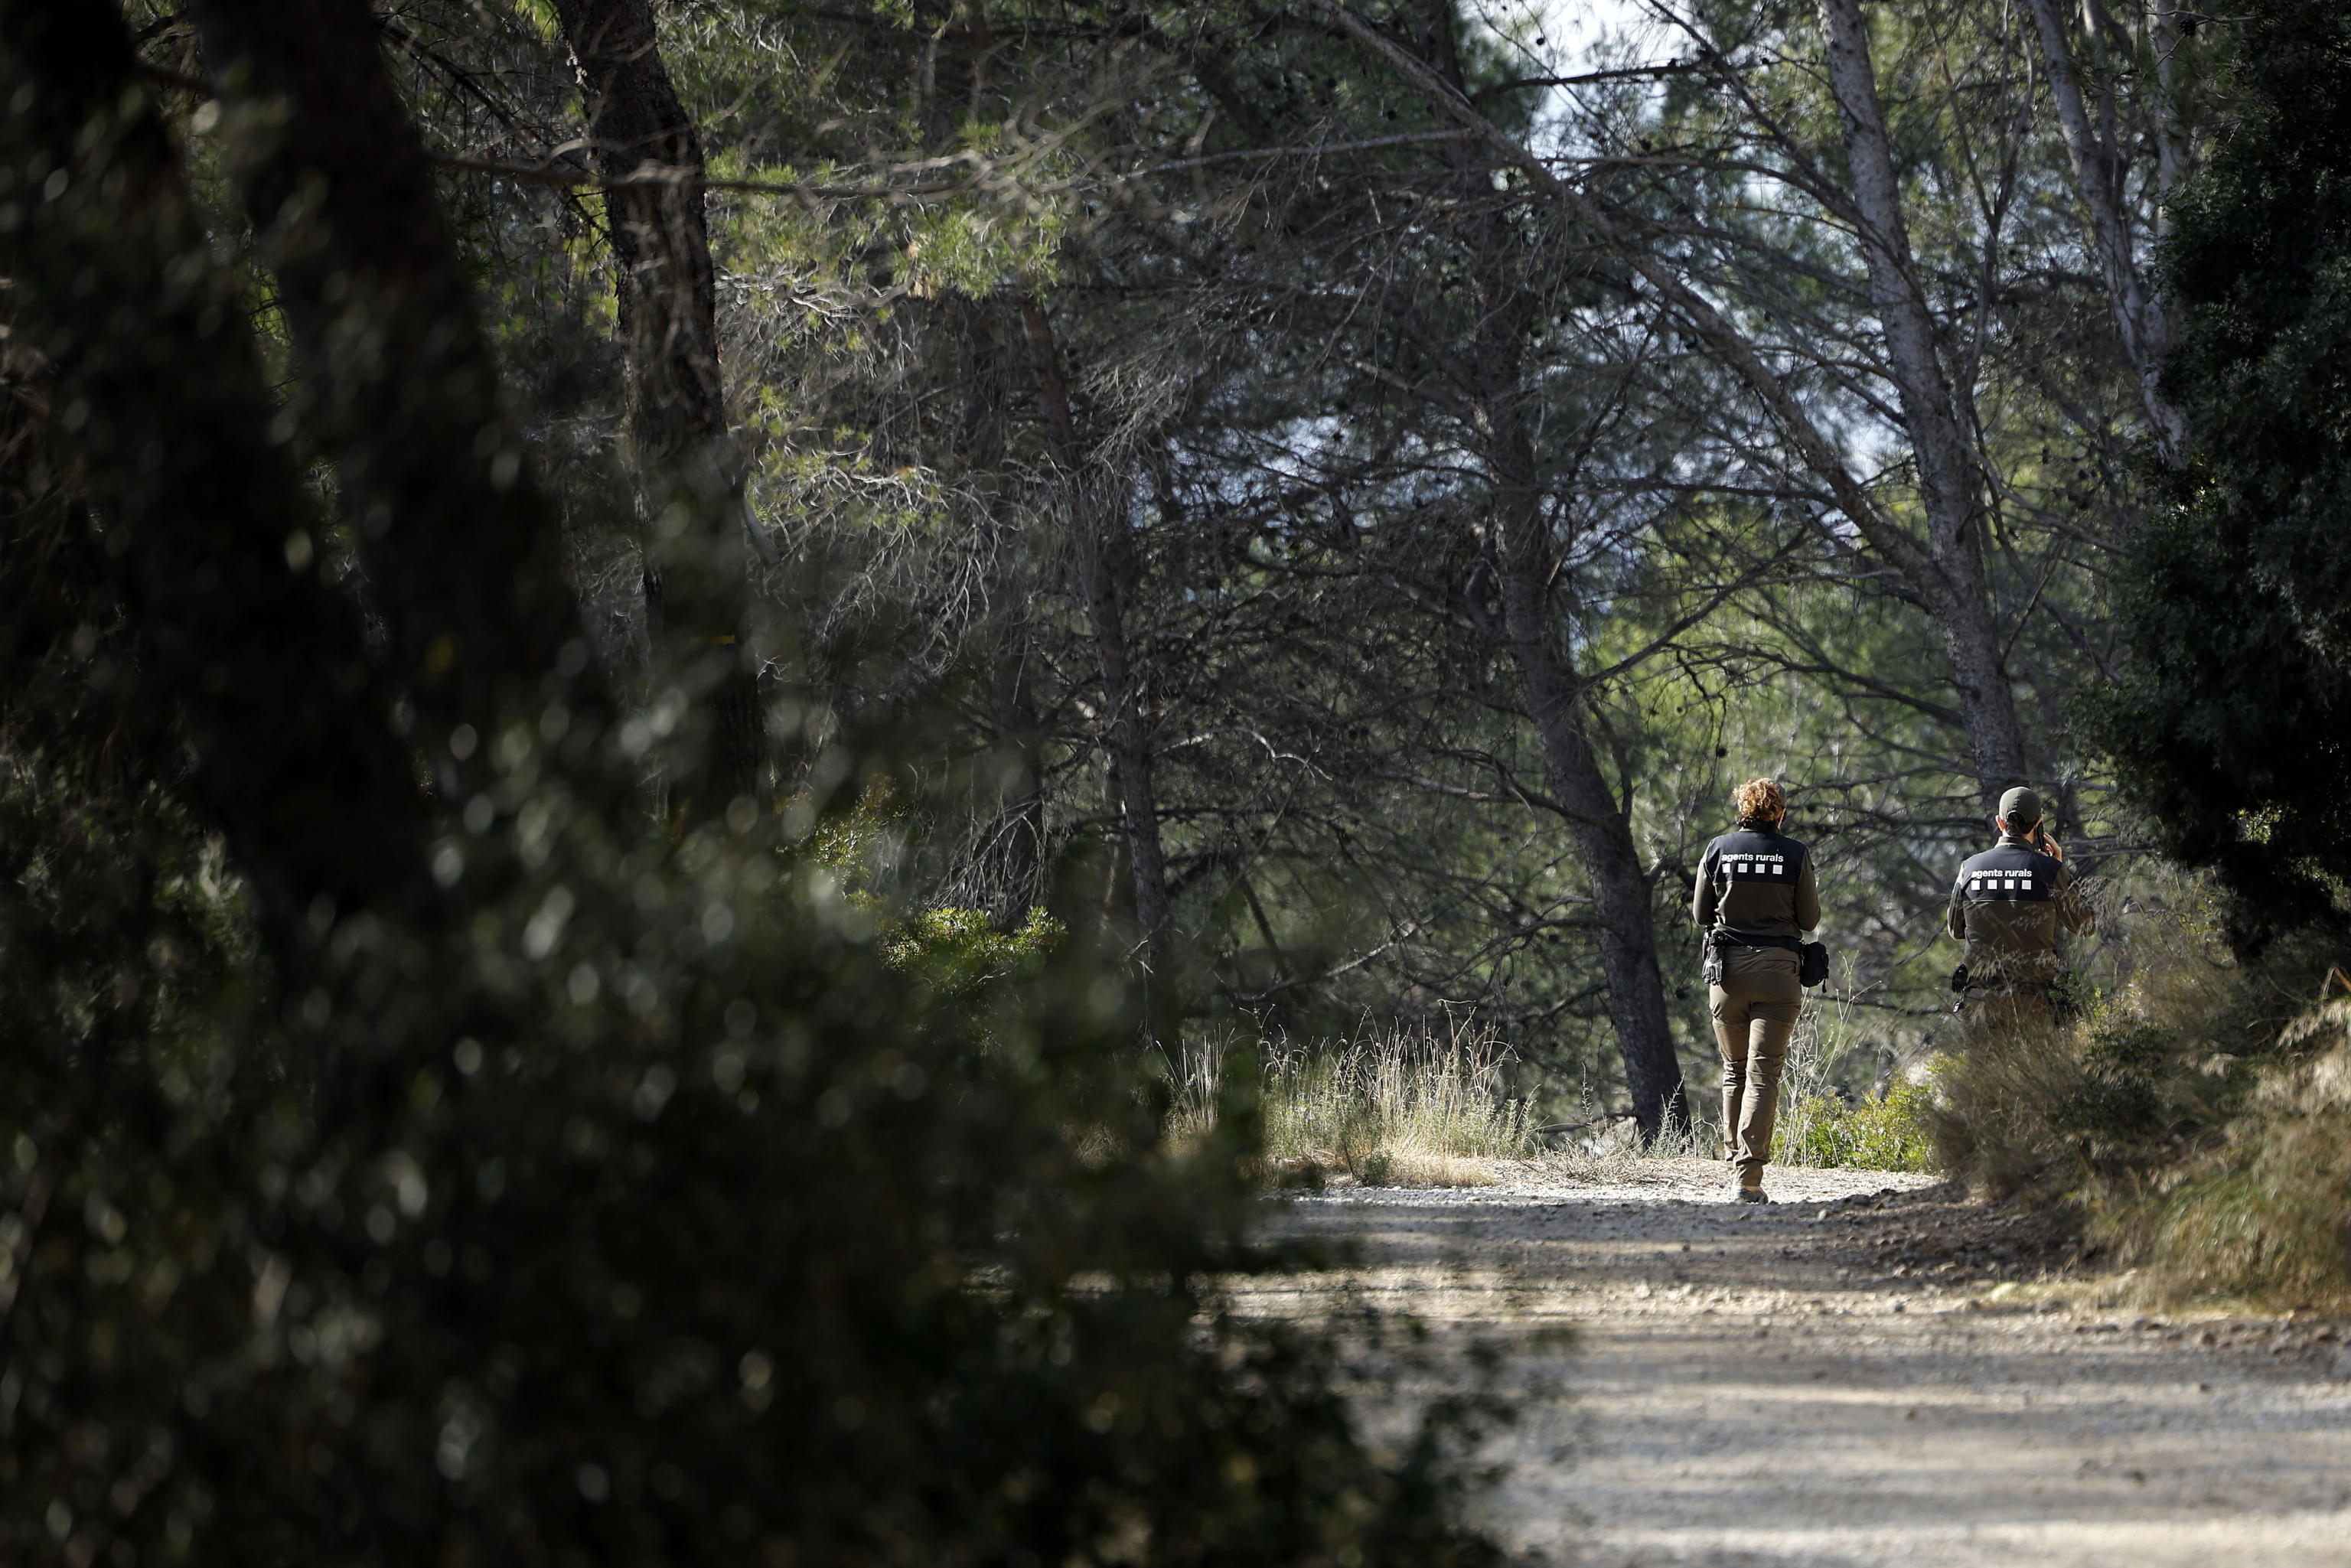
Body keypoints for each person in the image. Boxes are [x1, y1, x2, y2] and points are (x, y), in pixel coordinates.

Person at [1691, 778, 1821, 1204]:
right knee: (1763, 1072)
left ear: (1741, 808)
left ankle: (1734, 1161)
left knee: (1734, 1070)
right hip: (1778, 971)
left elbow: (1699, 915)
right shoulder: (1795, 854)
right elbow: (1809, 919)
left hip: (1727, 973)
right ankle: (1748, 1179)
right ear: (1780, 813)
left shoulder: (1718, 849)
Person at [1947, 785, 2095, 1028]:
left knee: (1985, 1066)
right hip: (2036, 1002)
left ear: (2000, 823)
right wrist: (2057, 868)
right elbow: (2086, 926)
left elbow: (1955, 931)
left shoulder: (1969, 868)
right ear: (2039, 824)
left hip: (1980, 1001)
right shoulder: (2049, 870)